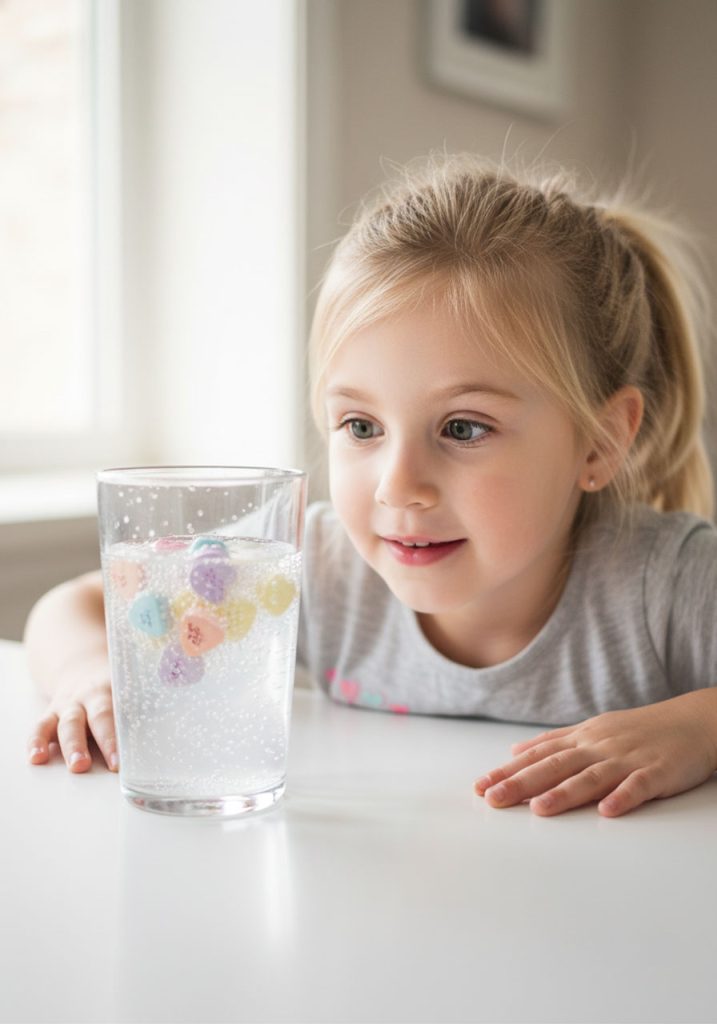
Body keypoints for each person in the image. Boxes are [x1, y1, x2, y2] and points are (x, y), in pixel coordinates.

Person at [24, 152, 717, 818]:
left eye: (463, 429)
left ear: (599, 443)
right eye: (359, 427)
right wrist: (90, 676)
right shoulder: (315, 566)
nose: (398, 486)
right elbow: (72, 605)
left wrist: (698, 727)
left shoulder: (665, 585)